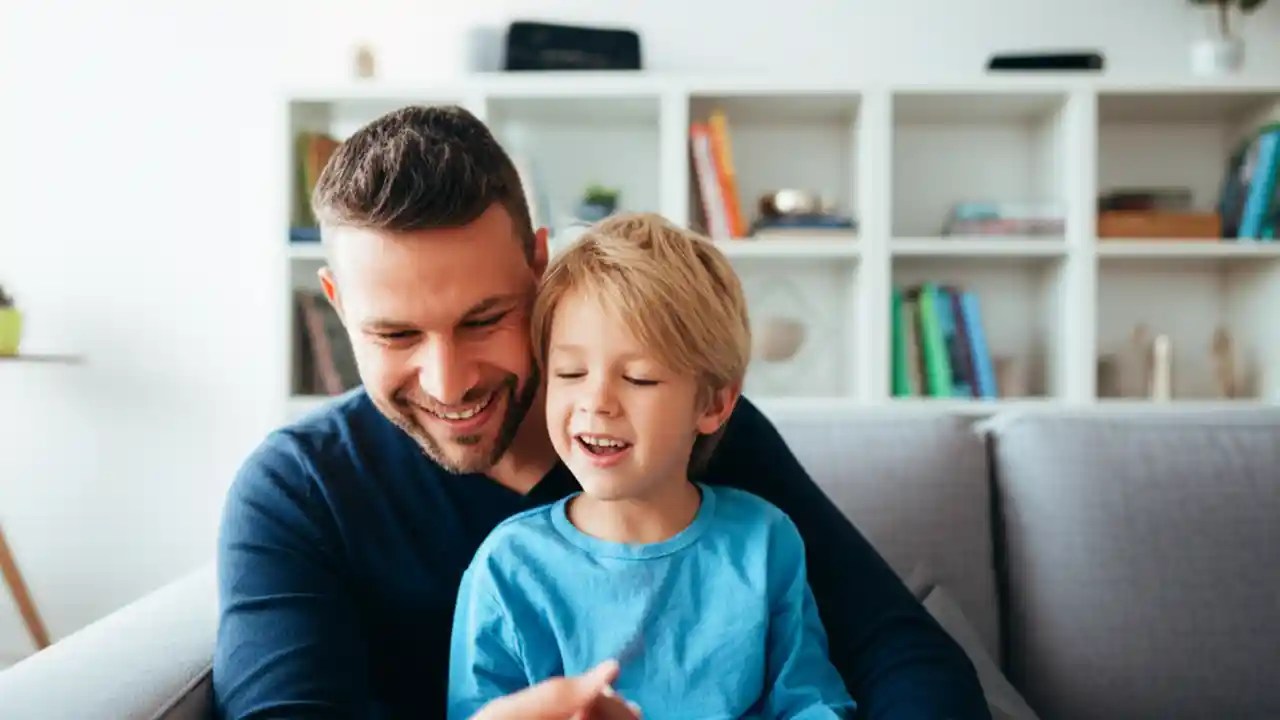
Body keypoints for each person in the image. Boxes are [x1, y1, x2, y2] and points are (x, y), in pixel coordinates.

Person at [212, 104, 992, 720]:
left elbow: (898, 650)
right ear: (339, 307)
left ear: (538, 267)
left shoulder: (674, 438)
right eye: (395, 333)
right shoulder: (296, 493)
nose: (446, 381)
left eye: (485, 319)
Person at [447, 213, 857, 719]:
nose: (596, 402)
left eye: (639, 378)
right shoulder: (509, 566)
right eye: (570, 372)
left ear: (712, 405)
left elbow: (812, 703)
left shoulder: (764, 542)